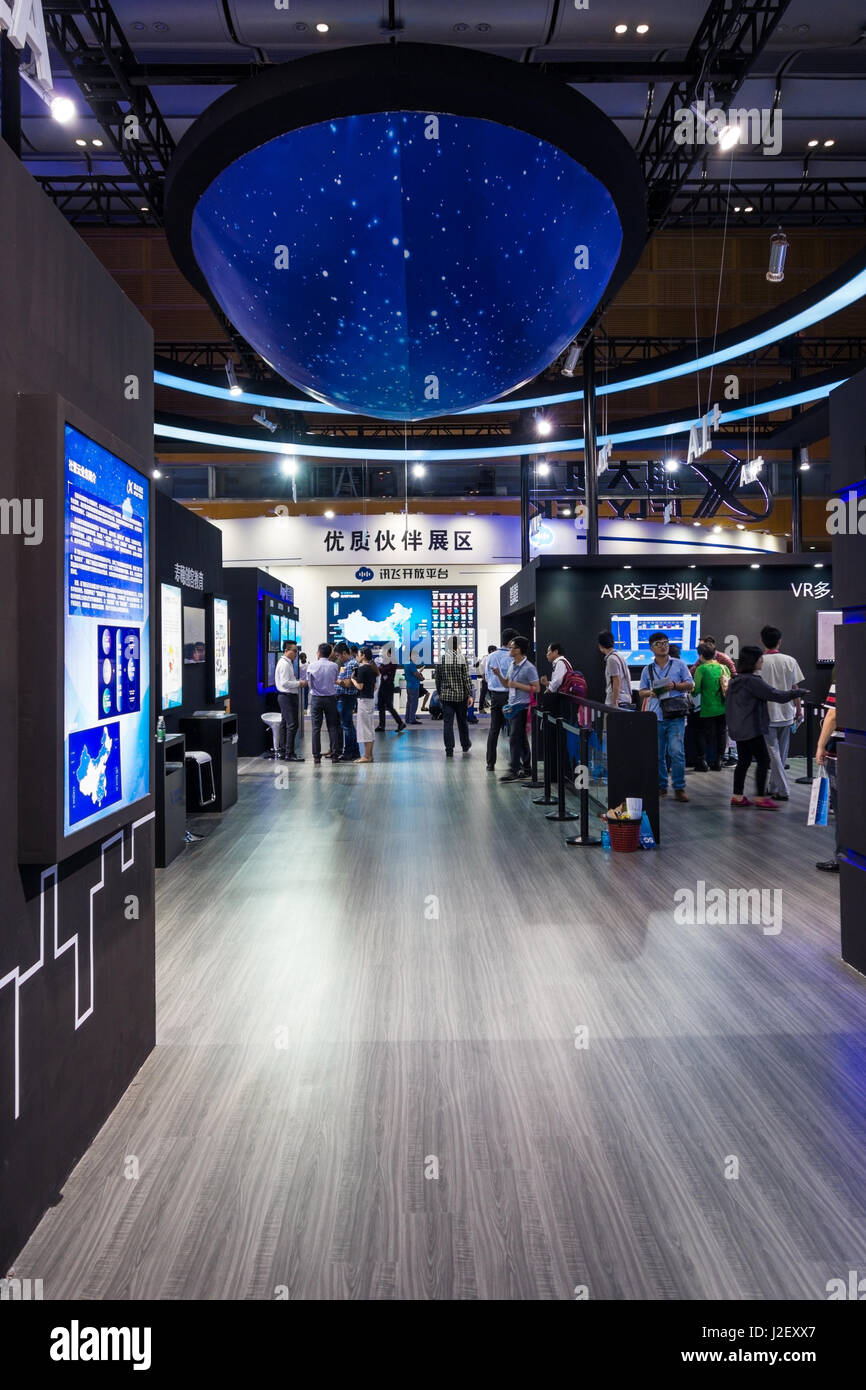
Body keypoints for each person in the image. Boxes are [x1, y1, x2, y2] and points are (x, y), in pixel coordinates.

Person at [725, 646, 806, 808]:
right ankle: (761, 798)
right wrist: (797, 693)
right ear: (754, 661)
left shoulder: (735, 680)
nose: (762, 661)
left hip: (739, 729)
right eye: (760, 658)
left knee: (744, 762)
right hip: (752, 729)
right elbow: (775, 695)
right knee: (763, 760)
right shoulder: (753, 681)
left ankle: (738, 796)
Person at [639, 632, 694, 802]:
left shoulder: (679, 664)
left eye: (665, 642)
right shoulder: (647, 669)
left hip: (676, 715)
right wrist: (652, 692)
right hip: (655, 715)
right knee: (657, 755)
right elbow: (641, 691)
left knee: (677, 752)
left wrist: (675, 685)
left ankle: (679, 787)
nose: (663, 645)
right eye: (659, 643)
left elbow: (691, 684)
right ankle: (661, 786)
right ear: (651, 648)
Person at [759, 625, 804, 801]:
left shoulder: (759, 661)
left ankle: (782, 789)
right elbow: (795, 688)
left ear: (762, 641)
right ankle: (774, 787)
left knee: (774, 754)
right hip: (787, 712)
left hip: (767, 714)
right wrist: (798, 709)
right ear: (779, 641)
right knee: (781, 753)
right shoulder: (790, 660)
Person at [499, 635, 540, 782]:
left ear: (519, 649)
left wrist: (518, 685)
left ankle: (514, 769)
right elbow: (507, 684)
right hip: (512, 705)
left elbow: (536, 688)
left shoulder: (529, 668)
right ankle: (527, 767)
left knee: (514, 738)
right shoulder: (512, 665)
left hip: (523, 707)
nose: (510, 649)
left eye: (512, 647)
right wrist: (498, 675)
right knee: (520, 738)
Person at [815, 680, 842, 872]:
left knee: (844, 810)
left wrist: (820, 746)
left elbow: (832, 715)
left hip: (841, 753)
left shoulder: (843, 680)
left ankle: (843, 859)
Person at [484, 627, 518, 772]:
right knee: (514, 730)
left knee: (494, 730)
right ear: (511, 641)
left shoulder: (491, 656)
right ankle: (516, 764)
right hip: (510, 696)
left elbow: (486, 677)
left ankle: (490, 763)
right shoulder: (514, 656)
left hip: (495, 697)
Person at [434, 634, 474, 757]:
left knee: (448, 723)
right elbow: (466, 679)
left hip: (446, 697)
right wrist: (470, 695)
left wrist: (440, 693)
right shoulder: (462, 658)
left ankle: (449, 749)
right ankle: (465, 745)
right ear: (458, 646)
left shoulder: (442, 659)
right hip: (461, 697)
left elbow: (438, 679)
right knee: (462, 722)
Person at [691, 642, 728, 771]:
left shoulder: (701, 669)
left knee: (702, 734)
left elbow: (695, 690)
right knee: (721, 734)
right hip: (723, 707)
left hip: (706, 708)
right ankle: (718, 761)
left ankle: (703, 762)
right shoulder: (723, 667)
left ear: (700, 656)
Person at [306, 642, 343, 765]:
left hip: (316, 698)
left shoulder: (312, 666)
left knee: (316, 728)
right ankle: (334, 755)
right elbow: (335, 680)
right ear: (329, 653)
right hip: (330, 698)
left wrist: (314, 690)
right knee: (332, 727)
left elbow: (309, 683)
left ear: (319, 653)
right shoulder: (334, 666)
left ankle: (316, 757)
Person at [274, 640, 305, 761]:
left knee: (284, 724)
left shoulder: (287, 663)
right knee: (292, 725)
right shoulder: (284, 664)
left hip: (286, 696)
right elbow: (285, 683)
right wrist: (300, 683)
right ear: (286, 650)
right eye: (294, 651)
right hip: (287, 696)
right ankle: (289, 753)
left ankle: (283, 750)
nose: (296, 654)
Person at [350, 646, 378, 763]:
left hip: (363, 701)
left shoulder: (362, 669)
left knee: (365, 728)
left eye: (359, 654)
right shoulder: (372, 669)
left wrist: (353, 680)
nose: (357, 656)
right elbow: (375, 686)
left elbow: (360, 686)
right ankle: (369, 755)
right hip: (370, 700)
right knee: (370, 728)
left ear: (363, 656)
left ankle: (366, 756)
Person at [334, 643, 360, 762]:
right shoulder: (346, 664)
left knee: (347, 726)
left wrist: (336, 681)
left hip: (346, 698)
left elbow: (348, 683)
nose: (338, 658)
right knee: (349, 725)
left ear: (344, 653)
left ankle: (348, 752)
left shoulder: (351, 664)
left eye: (339, 655)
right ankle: (354, 751)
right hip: (344, 698)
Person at [597, 631, 634, 710]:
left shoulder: (611, 659)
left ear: (600, 645)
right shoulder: (619, 656)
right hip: (624, 699)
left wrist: (614, 704)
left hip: (618, 702)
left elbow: (616, 680)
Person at [375, 647, 406, 733]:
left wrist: (378, 668)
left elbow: (383, 670)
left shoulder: (392, 661)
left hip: (388, 685)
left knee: (388, 705)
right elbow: (381, 669)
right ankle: (382, 725)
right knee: (380, 705)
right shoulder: (386, 661)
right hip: (383, 684)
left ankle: (400, 723)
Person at [402, 654, 423, 725]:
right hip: (414, 686)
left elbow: (410, 674)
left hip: (409, 685)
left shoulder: (406, 663)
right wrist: (421, 678)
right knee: (414, 704)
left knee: (409, 703)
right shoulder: (412, 664)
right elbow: (416, 674)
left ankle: (407, 718)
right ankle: (412, 719)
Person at [477, 646, 496, 713]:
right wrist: (483, 676)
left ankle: (493, 709)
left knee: (492, 695)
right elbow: (481, 667)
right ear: (491, 651)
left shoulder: (493, 658)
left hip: (492, 679)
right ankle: (481, 708)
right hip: (486, 680)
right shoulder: (486, 658)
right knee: (483, 694)